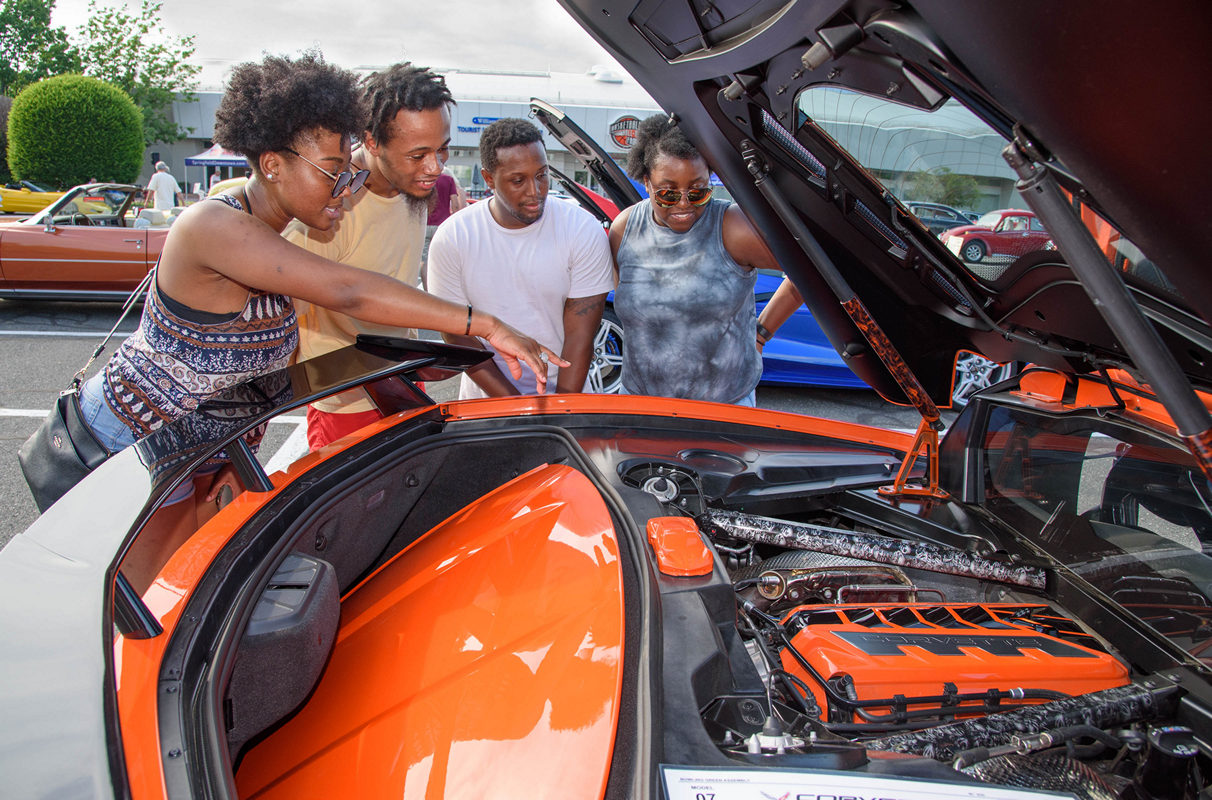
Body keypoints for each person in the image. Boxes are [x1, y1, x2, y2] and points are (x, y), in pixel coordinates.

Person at [72, 53, 562, 586]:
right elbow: (348, 290)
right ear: (273, 164)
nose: (345, 183)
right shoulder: (211, 224)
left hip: (207, 453)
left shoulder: (290, 228)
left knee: (191, 597)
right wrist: (484, 322)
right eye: (334, 168)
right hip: (132, 449)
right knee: (144, 626)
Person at [284, 62, 461, 450]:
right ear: (373, 141)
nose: (435, 167)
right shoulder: (329, 207)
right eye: (418, 155)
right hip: (343, 402)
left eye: (442, 149)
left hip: (398, 381)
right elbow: (287, 313)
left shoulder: (412, 185)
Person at [428, 118, 614, 399]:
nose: (535, 191)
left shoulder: (582, 229)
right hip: (486, 401)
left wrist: (561, 411)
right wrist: (513, 406)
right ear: (489, 179)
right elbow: (455, 333)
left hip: (569, 394)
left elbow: (580, 336)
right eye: (518, 180)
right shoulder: (454, 236)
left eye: (541, 175)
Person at [609, 114, 782, 405]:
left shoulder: (732, 228)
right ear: (646, 181)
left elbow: (810, 272)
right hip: (641, 405)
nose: (684, 204)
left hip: (722, 410)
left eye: (698, 191)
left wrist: (762, 332)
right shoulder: (626, 229)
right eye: (667, 193)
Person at [420, 166, 467, 287]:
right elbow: (455, 204)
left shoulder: (425, 180)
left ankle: (428, 291)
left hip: (425, 224)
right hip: (442, 226)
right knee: (443, 260)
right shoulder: (448, 180)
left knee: (424, 262)